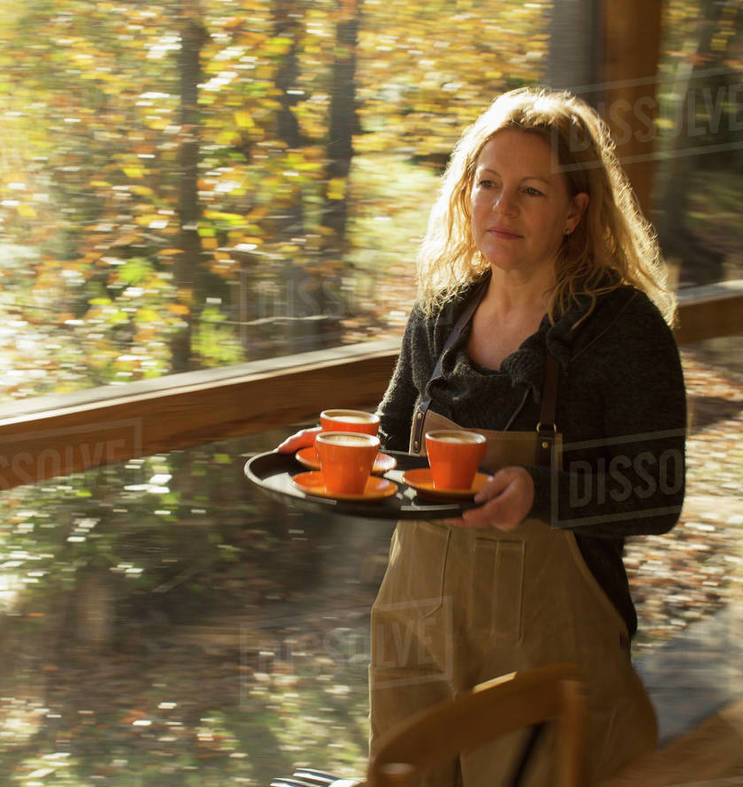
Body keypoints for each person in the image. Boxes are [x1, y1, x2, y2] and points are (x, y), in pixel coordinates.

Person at [278, 86, 686, 785]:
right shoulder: (440, 313)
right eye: (488, 184)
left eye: (530, 191)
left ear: (574, 212)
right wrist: (340, 448)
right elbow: (394, 434)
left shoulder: (621, 330)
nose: (501, 208)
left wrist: (539, 489)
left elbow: (657, 492)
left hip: (549, 658)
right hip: (419, 635)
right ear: (465, 193)